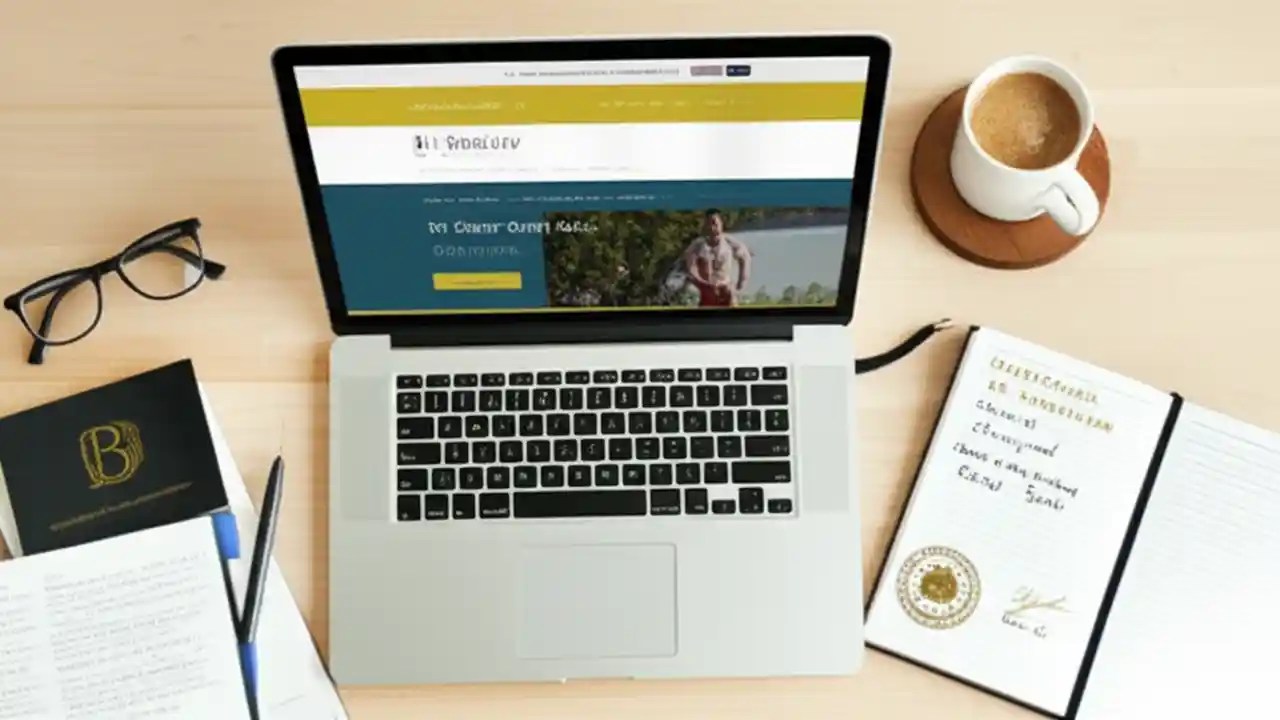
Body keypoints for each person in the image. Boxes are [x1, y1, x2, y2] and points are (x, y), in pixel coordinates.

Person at [682, 209, 751, 307]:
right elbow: (690, 266)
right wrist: (700, 283)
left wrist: (741, 282)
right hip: (707, 290)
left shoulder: (730, 243)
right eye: (708, 224)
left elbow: (745, 257)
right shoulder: (697, 245)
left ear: (721, 223)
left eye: (715, 223)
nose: (712, 227)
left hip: (726, 289)